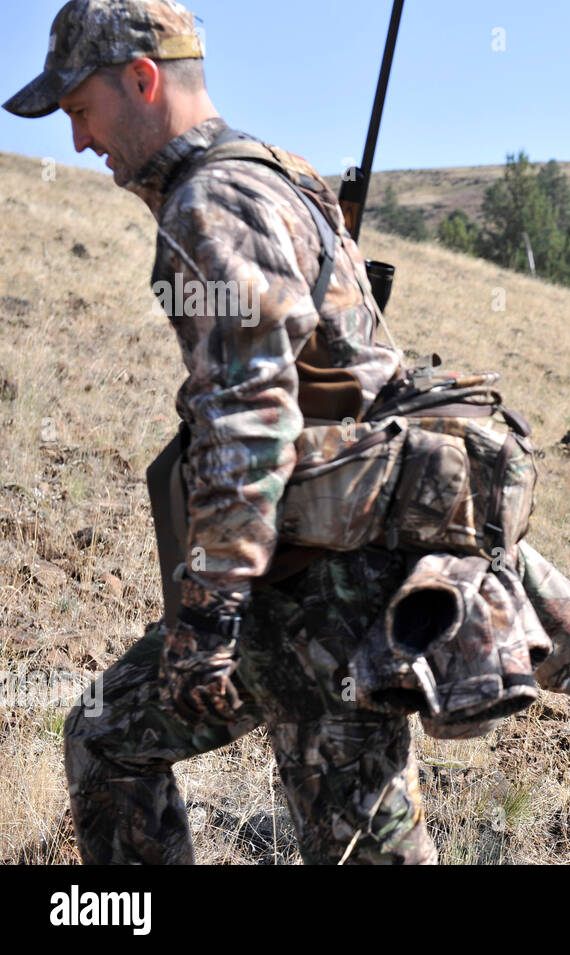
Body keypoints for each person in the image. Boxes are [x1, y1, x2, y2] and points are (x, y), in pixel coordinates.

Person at [5, 0, 436, 864]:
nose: (80, 142)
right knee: (111, 737)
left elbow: (251, 419)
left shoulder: (213, 202)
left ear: (142, 79)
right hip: (328, 566)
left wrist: (207, 625)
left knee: (356, 841)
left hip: (325, 590)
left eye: (81, 110)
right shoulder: (277, 173)